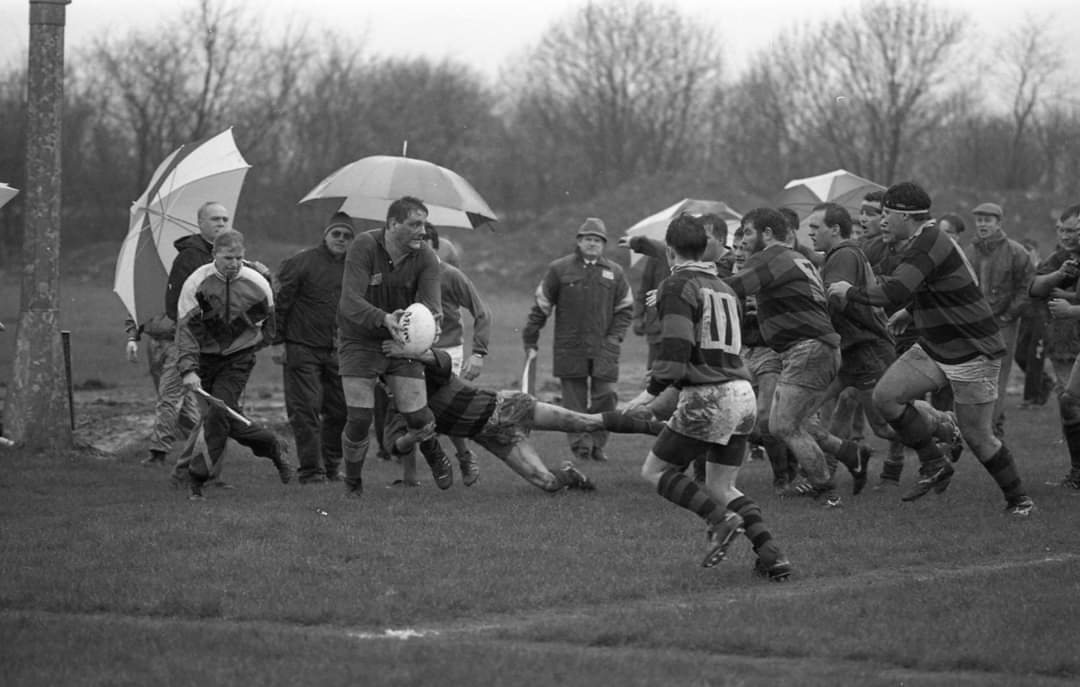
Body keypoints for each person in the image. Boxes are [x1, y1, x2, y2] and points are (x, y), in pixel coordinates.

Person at [827, 182, 1033, 515]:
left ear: (906, 216)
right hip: (938, 344)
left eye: (887, 214)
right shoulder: (920, 241)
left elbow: (893, 290)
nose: (882, 221)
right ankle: (934, 462)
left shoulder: (928, 242)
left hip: (972, 348)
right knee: (886, 397)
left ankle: (1019, 500)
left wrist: (848, 291)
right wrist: (911, 312)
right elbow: (938, 285)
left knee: (978, 436)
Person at [625, 213, 791, 581]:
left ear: (669, 251)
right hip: (742, 393)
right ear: (705, 247)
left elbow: (676, 346)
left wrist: (650, 393)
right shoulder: (724, 286)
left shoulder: (676, 284)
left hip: (709, 395)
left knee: (654, 471)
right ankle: (771, 554)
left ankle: (720, 521)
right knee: (721, 485)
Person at [382, 342, 663, 494]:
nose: (392, 385)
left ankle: (657, 429)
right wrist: (412, 437)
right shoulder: (401, 408)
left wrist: (411, 352)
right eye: (386, 382)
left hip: (508, 406)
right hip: (495, 438)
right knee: (547, 484)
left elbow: (442, 360)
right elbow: (393, 445)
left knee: (586, 422)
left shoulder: (424, 371)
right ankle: (570, 475)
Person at [723, 208, 861, 507]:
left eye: (747, 233)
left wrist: (692, 282)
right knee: (785, 423)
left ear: (767, 234)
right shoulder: (797, 257)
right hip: (819, 348)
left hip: (808, 349)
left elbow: (732, 288)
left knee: (784, 426)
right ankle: (851, 454)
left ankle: (827, 491)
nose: (743, 241)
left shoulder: (770, 256)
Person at [336, 196, 443, 498]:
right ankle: (353, 483)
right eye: (415, 224)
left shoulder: (427, 258)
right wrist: (383, 318)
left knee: (419, 417)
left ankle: (433, 448)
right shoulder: (364, 246)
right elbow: (349, 301)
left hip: (400, 342)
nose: (423, 231)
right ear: (393, 224)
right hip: (359, 338)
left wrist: (425, 329)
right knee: (359, 419)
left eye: (424, 223)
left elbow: (434, 310)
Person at [175, 230, 293, 500]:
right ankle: (274, 446)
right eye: (228, 258)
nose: (234, 263)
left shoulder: (257, 284)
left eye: (239, 258)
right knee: (228, 418)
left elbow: (270, 328)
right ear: (214, 255)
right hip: (204, 360)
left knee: (217, 411)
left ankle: (196, 480)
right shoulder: (196, 284)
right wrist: (189, 369)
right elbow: (186, 332)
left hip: (238, 360)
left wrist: (245, 348)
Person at [523, 217, 634, 463]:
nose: (592, 244)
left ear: (604, 244)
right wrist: (531, 335)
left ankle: (597, 444)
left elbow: (626, 308)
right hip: (570, 346)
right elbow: (542, 305)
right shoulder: (559, 269)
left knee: (606, 397)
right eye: (588, 239)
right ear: (579, 241)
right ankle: (581, 448)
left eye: (597, 240)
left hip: (605, 348)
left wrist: (615, 337)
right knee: (573, 402)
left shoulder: (615, 272)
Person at [389, 224, 492, 487]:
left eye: (424, 241)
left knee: (447, 409)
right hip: (409, 350)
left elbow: (482, 312)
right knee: (410, 410)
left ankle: (464, 455)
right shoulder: (400, 275)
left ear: (434, 246)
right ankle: (409, 478)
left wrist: (478, 353)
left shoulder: (450, 275)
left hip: (447, 351)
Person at [806, 202, 899, 488]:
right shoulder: (838, 254)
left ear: (834, 230)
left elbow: (838, 299)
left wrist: (807, 310)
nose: (809, 234)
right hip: (847, 352)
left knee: (885, 425)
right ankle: (829, 471)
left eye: (814, 228)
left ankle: (943, 429)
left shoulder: (844, 255)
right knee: (805, 411)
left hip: (866, 350)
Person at [137, 202, 229, 470]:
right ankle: (158, 451)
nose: (221, 223)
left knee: (196, 399)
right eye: (214, 219)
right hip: (188, 337)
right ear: (200, 223)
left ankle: (198, 448)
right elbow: (178, 302)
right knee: (172, 392)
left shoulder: (226, 254)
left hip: (215, 341)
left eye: (224, 219)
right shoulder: (189, 257)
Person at [270, 212, 354, 485]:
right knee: (305, 409)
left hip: (335, 348)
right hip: (300, 346)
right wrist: (278, 341)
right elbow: (280, 303)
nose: (341, 239)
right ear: (325, 235)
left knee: (341, 410)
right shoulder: (301, 262)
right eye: (336, 234)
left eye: (347, 235)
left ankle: (331, 465)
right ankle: (310, 471)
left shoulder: (354, 269)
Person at [963, 202, 1034, 437]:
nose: (982, 224)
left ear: (999, 223)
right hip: (974, 325)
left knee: (998, 376)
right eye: (979, 219)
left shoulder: (1016, 252)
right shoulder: (969, 252)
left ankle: (992, 428)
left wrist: (1008, 315)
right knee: (972, 376)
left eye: (987, 220)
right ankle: (980, 428)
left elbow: (1027, 288)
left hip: (1003, 324)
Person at [1028, 204, 1080, 489]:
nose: (1065, 235)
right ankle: (1077, 473)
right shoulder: (1060, 257)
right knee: (1070, 402)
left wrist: (1070, 303)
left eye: (1071, 230)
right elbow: (1034, 287)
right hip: (1064, 342)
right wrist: (1059, 275)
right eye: (1061, 229)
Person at [1014, 237, 1052, 407]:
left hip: (1043, 318)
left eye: (1029, 250)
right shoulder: (1021, 271)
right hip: (1026, 318)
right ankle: (1046, 382)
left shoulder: (1045, 268)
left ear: (1035, 251)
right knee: (1020, 355)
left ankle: (1031, 398)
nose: (1027, 254)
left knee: (1035, 358)